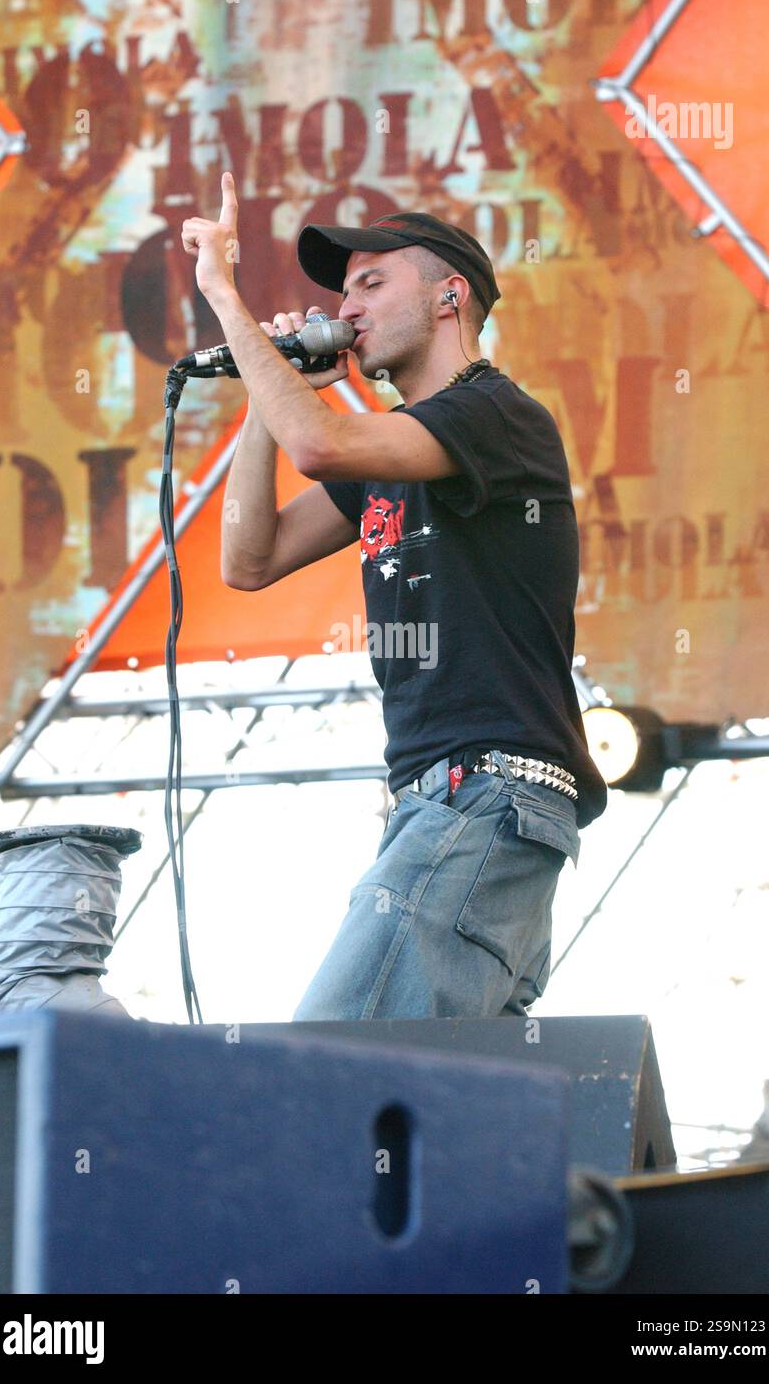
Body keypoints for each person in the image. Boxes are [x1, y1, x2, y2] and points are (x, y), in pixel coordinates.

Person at [182, 173, 607, 1020]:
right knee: (430, 1108)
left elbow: (322, 442)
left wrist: (225, 299)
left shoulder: (493, 413)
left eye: (373, 282)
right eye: (344, 292)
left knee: (330, 1062)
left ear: (449, 297)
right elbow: (248, 557)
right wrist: (271, 384)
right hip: (440, 802)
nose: (351, 305)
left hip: (485, 793)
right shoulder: (385, 450)